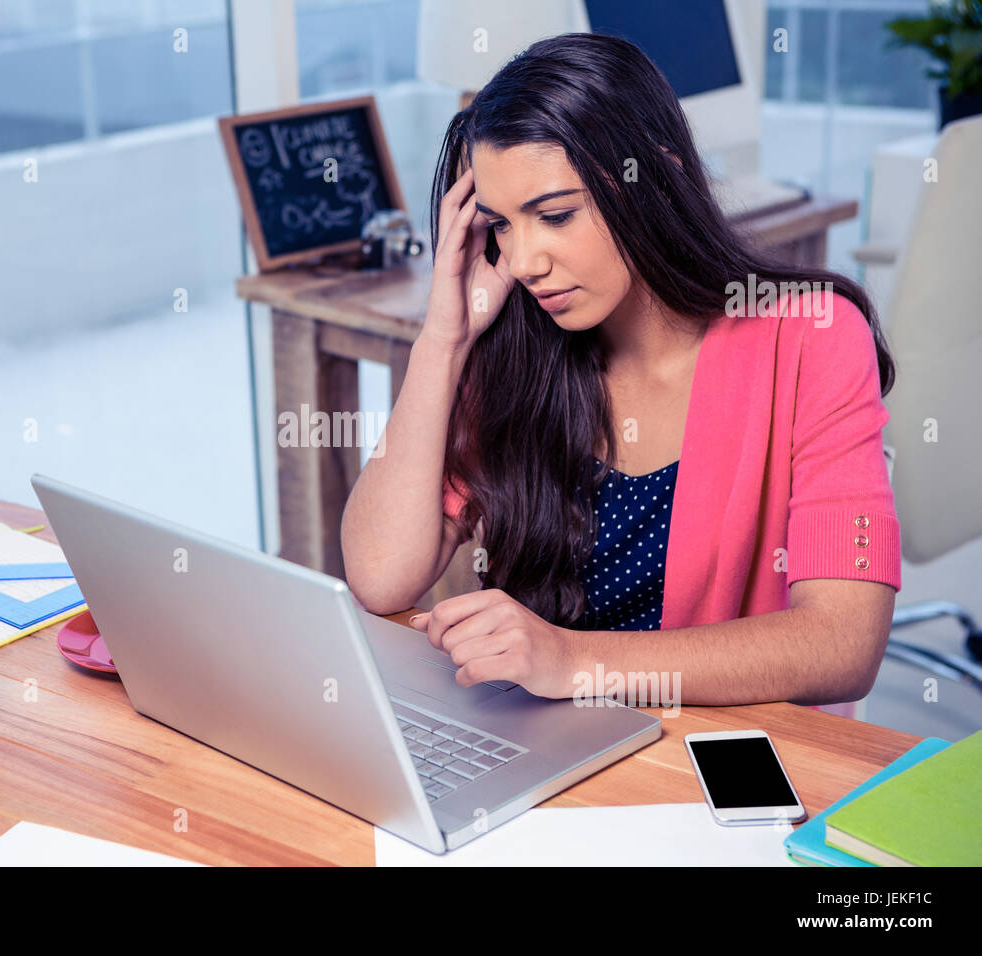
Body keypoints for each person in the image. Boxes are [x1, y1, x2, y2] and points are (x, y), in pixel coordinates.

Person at [340, 33, 899, 708]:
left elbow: (842, 643)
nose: (522, 262)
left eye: (553, 215)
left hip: (700, 761)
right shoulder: (517, 343)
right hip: (535, 748)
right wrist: (443, 341)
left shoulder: (811, 338)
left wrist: (573, 660)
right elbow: (378, 575)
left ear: (655, 181)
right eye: (502, 226)